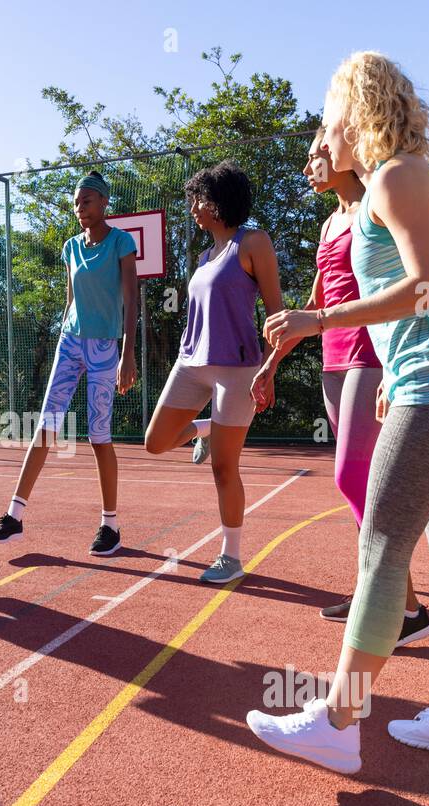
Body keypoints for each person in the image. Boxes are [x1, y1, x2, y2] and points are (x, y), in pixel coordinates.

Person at [246, 51, 429, 773]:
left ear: (354, 113)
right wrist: (396, 370)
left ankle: (337, 722)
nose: (321, 139)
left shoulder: (394, 177)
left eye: (327, 121)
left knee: (380, 553)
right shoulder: (410, 180)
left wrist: (316, 318)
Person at [251, 131, 429, 642]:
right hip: (334, 361)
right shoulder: (330, 223)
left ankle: (407, 607)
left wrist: (398, 367)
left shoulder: (376, 207)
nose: (308, 165)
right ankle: (375, 590)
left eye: (315, 154)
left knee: (353, 478)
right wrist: (270, 365)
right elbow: (310, 307)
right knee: (361, 486)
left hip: (370, 356)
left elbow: (412, 284)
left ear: (342, 153)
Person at [0, 171, 138, 556]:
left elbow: (132, 300)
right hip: (70, 343)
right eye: (76, 202)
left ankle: (110, 525)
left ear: (104, 203)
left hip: (105, 347)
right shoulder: (70, 247)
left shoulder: (122, 242)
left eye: (87, 201)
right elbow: (70, 300)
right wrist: (61, 343)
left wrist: (128, 352)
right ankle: (14, 516)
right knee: (47, 427)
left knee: (97, 437)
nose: (79, 207)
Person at [143, 162, 282, 584]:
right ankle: (204, 428)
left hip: (238, 371)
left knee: (224, 468)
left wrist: (270, 369)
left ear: (219, 201)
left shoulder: (253, 242)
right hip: (191, 363)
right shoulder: (204, 257)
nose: (193, 207)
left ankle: (231, 556)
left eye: (199, 199)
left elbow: (277, 314)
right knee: (155, 442)